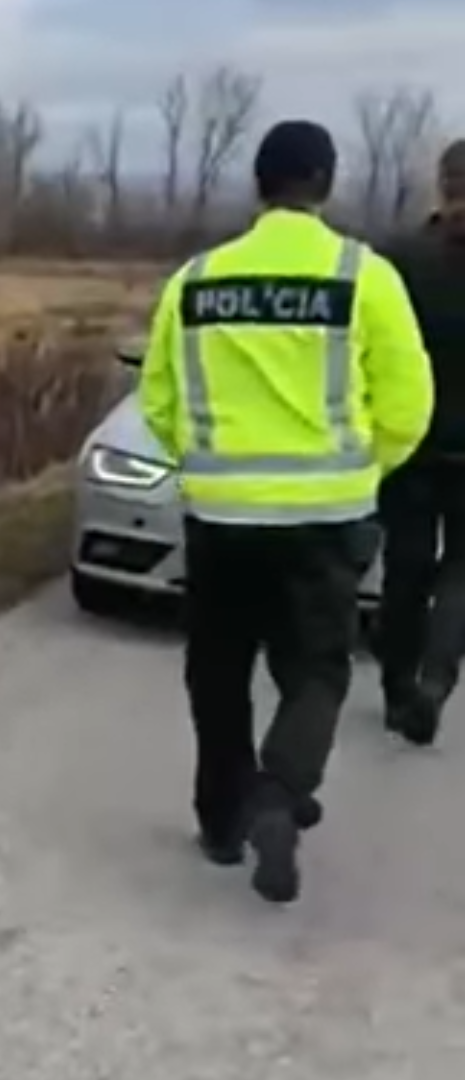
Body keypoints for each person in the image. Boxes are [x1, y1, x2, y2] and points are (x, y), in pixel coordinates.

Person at [138, 119, 432, 904]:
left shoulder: (194, 281)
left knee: (218, 670)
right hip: (328, 520)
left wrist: (210, 462)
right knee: (316, 671)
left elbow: (158, 401)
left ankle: (222, 820)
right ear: (326, 183)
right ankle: (280, 791)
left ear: (258, 185)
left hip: (222, 516)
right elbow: (409, 404)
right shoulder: (363, 277)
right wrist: (365, 471)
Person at [372, 140, 465, 747]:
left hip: (411, 440)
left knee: (406, 566)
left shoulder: (399, 260)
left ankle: (397, 688)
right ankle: (436, 681)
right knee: (462, 568)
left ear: (441, 184)